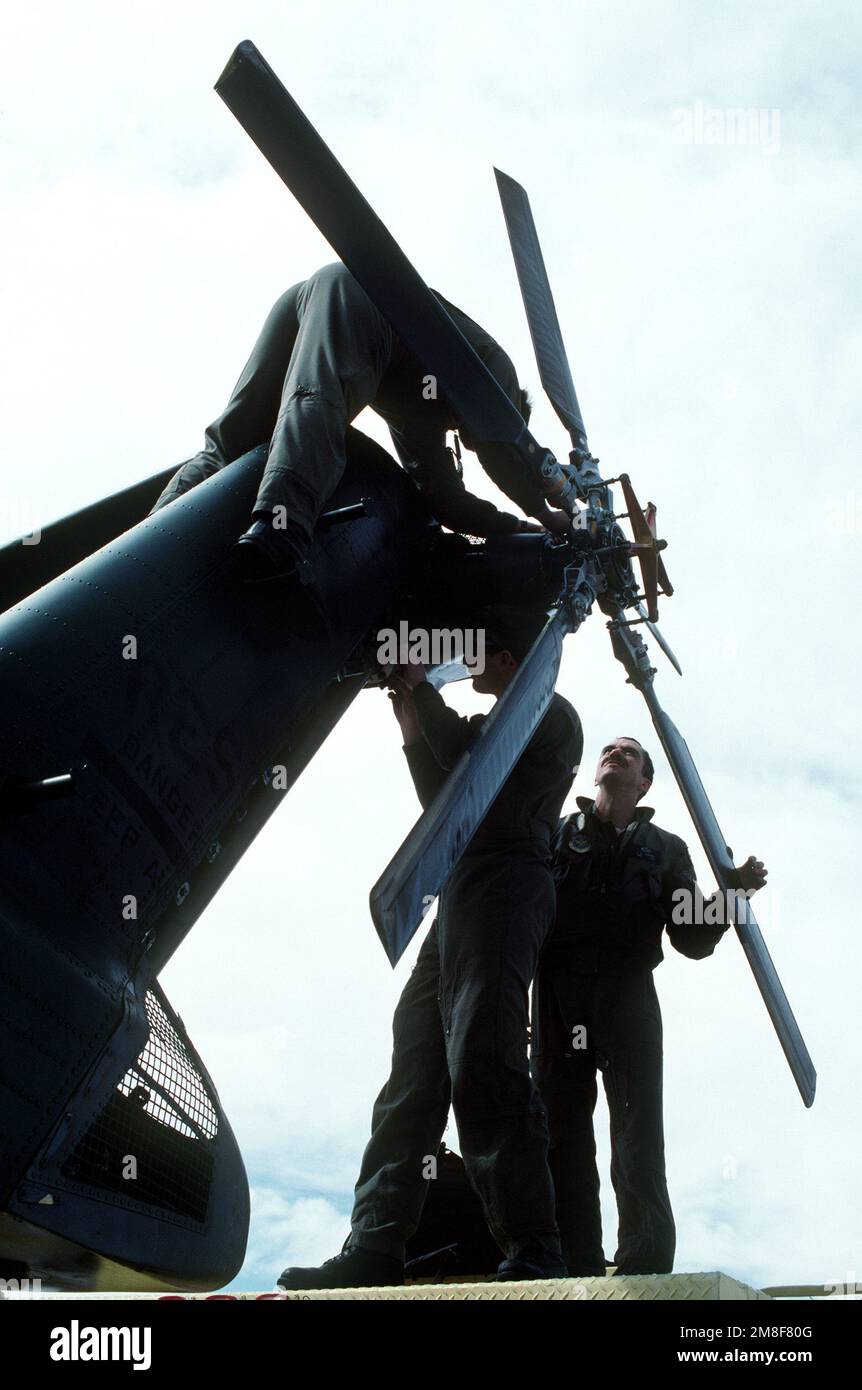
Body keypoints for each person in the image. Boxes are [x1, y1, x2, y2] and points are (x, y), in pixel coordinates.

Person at [277, 606, 583, 1289]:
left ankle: (535, 1246)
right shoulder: (481, 732)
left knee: (485, 1054)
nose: (469, 662)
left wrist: (422, 688)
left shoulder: (548, 714)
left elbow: (473, 761)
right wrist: (408, 712)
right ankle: (376, 1244)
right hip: (461, 888)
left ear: (512, 660)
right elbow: (442, 797)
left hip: (507, 882)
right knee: (414, 1069)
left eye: (481, 653)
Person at [150, 263, 568, 617]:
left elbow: (442, 496)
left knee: (230, 446)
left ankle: (151, 538)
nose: (472, 441)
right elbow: (502, 450)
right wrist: (546, 512)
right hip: (360, 299)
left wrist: (512, 528)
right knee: (318, 401)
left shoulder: (425, 414)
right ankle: (281, 532)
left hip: (317, 297)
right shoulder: (496, 374)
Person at [532, 736, 767, 1277]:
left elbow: (689, 935)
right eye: (608, 749)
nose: (614, 753)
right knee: (559, 1131)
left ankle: (644, 1263)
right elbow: (523, 909)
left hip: (627, 994)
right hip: (556, 993)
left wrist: (731, 897)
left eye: (629, 752)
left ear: (644, 782)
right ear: (595, 774)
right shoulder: (557, 834)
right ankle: (574, 1261)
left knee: (638, 1134)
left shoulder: (664, 848)